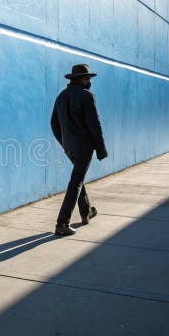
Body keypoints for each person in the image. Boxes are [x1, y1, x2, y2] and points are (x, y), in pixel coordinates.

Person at [50, 64, 108, 236]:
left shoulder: (61, 96)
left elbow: (54, 124)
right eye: (86, 77)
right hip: (84, 147)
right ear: (78, 79)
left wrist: (64, 143)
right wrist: (101, 149)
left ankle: (86, 212)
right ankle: (62, 223)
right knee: (76, 182)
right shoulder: (87, 96)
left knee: (78, 177)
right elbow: (94, 125)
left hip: (69, 147)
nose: (89, 80)